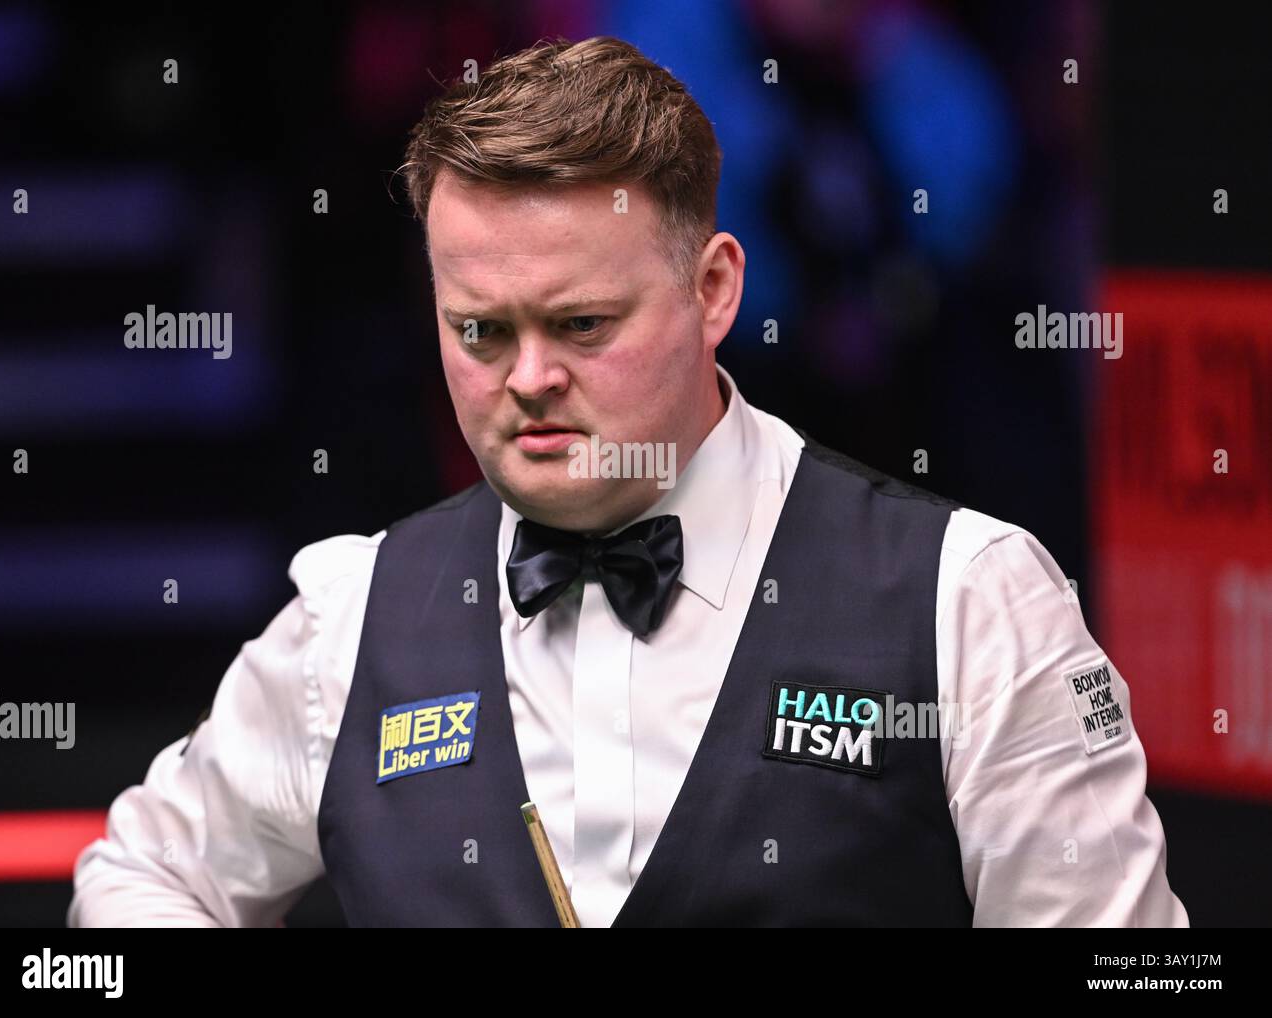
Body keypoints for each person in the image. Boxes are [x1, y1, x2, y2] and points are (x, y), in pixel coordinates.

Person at [68, 35, 1188, 928]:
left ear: (712, 290)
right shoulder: (350, 619)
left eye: (583, 323)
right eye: (480, 330)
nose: (530, 379)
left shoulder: (969, 601)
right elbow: (139, 878)